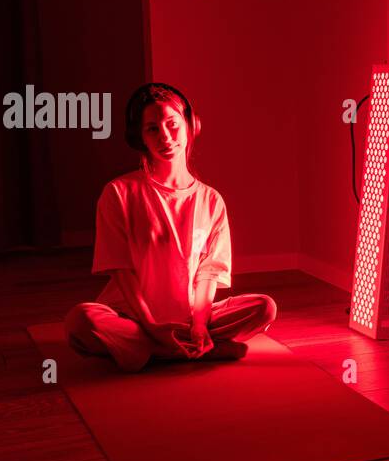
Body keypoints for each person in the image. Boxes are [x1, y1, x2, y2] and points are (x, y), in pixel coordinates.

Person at [64, 82, 276, 372]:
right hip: (133, 317)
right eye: (152, 129)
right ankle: (185, 349)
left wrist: (199, 324)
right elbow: (121, 271)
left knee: (264, 308)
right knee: (81, 321)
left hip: (191, 317)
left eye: (172, 124)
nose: (165, 136)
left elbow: (208, 274)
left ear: (190, 126)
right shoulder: (118, 193)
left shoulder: (211, 200)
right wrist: (152, 326)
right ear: (140, 137)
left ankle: (160, 350)